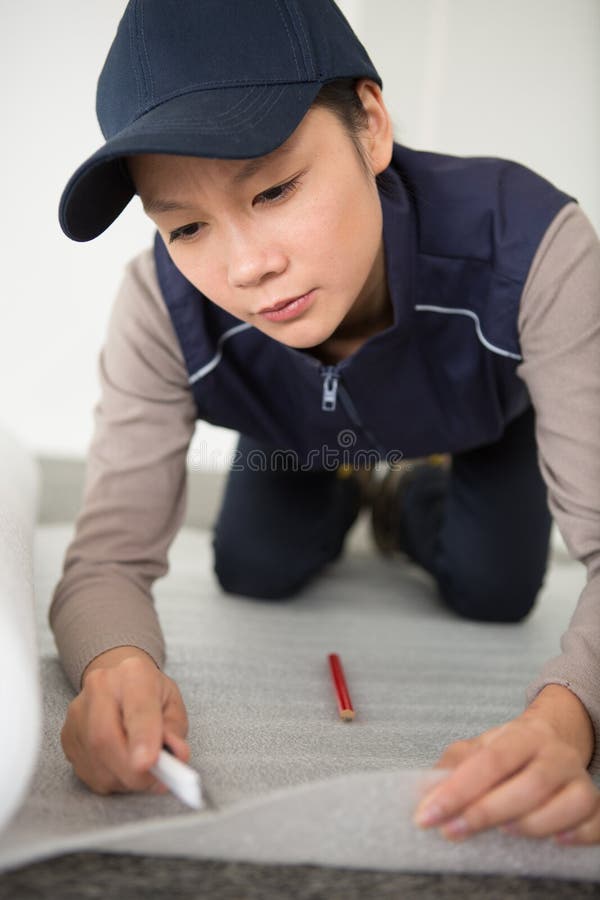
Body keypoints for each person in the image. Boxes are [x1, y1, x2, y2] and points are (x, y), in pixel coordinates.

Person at [53, 0, 600, 845]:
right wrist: (114, 665)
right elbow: (106, 559)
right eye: (188, 227)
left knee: (495, 592)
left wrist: (570, 722)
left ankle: (410, 495)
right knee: (252, 567)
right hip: (293, 436)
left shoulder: (534, 246)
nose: (247, 268)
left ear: (371, 125)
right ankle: (349, 486)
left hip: (483, 427)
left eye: (274, 189)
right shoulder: (157, 304)